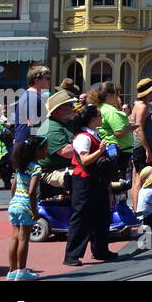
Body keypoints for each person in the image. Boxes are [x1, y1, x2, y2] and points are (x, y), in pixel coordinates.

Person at [64, 103, 116, 267]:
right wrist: (100, 151)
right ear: (92, 119)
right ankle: (72, 255)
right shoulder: (83, 137)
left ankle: (101, 250)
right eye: (99, 115)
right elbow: (85, 160)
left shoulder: (95, 135)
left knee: (102, 215)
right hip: (84, 181)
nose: (101, 118)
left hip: (98, 180)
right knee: (81, 217)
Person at [6, 135, 47, 281]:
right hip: (26, 206)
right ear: (37, 150)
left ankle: (12, 270)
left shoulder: (21, 165)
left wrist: (14, 201)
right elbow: (31, 192)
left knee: (15, 238)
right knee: (24, 239)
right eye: (45, 148)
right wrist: (35, 212)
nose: (46, 151)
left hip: (14, 205)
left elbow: (13, 187)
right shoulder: (36, 168)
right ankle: (22, 271)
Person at [129, 79, 152, 208]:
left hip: (145, 146)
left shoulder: (142, 105)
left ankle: (139, 208)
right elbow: (139, 128)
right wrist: (147, 149)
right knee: (141, 179)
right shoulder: (142, 106)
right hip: (143, 147)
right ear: (148, 92)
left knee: (140, 179)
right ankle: (138, 211)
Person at [96, 83, 135, 185]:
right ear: (108, 95)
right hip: (119, 151)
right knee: (120, 185)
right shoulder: (110, 111)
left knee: (111, 183)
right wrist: (130, 128)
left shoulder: (100, 107)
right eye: (117, 93)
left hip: (111, 149)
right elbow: (119, 133)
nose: (118, 96)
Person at [13, 65, 51, 149]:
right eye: (47, 78)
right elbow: (32, 123)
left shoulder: (32, 96)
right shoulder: (32, 97)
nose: (50, 81)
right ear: (37, 81)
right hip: (27, 147)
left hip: (25, 145)